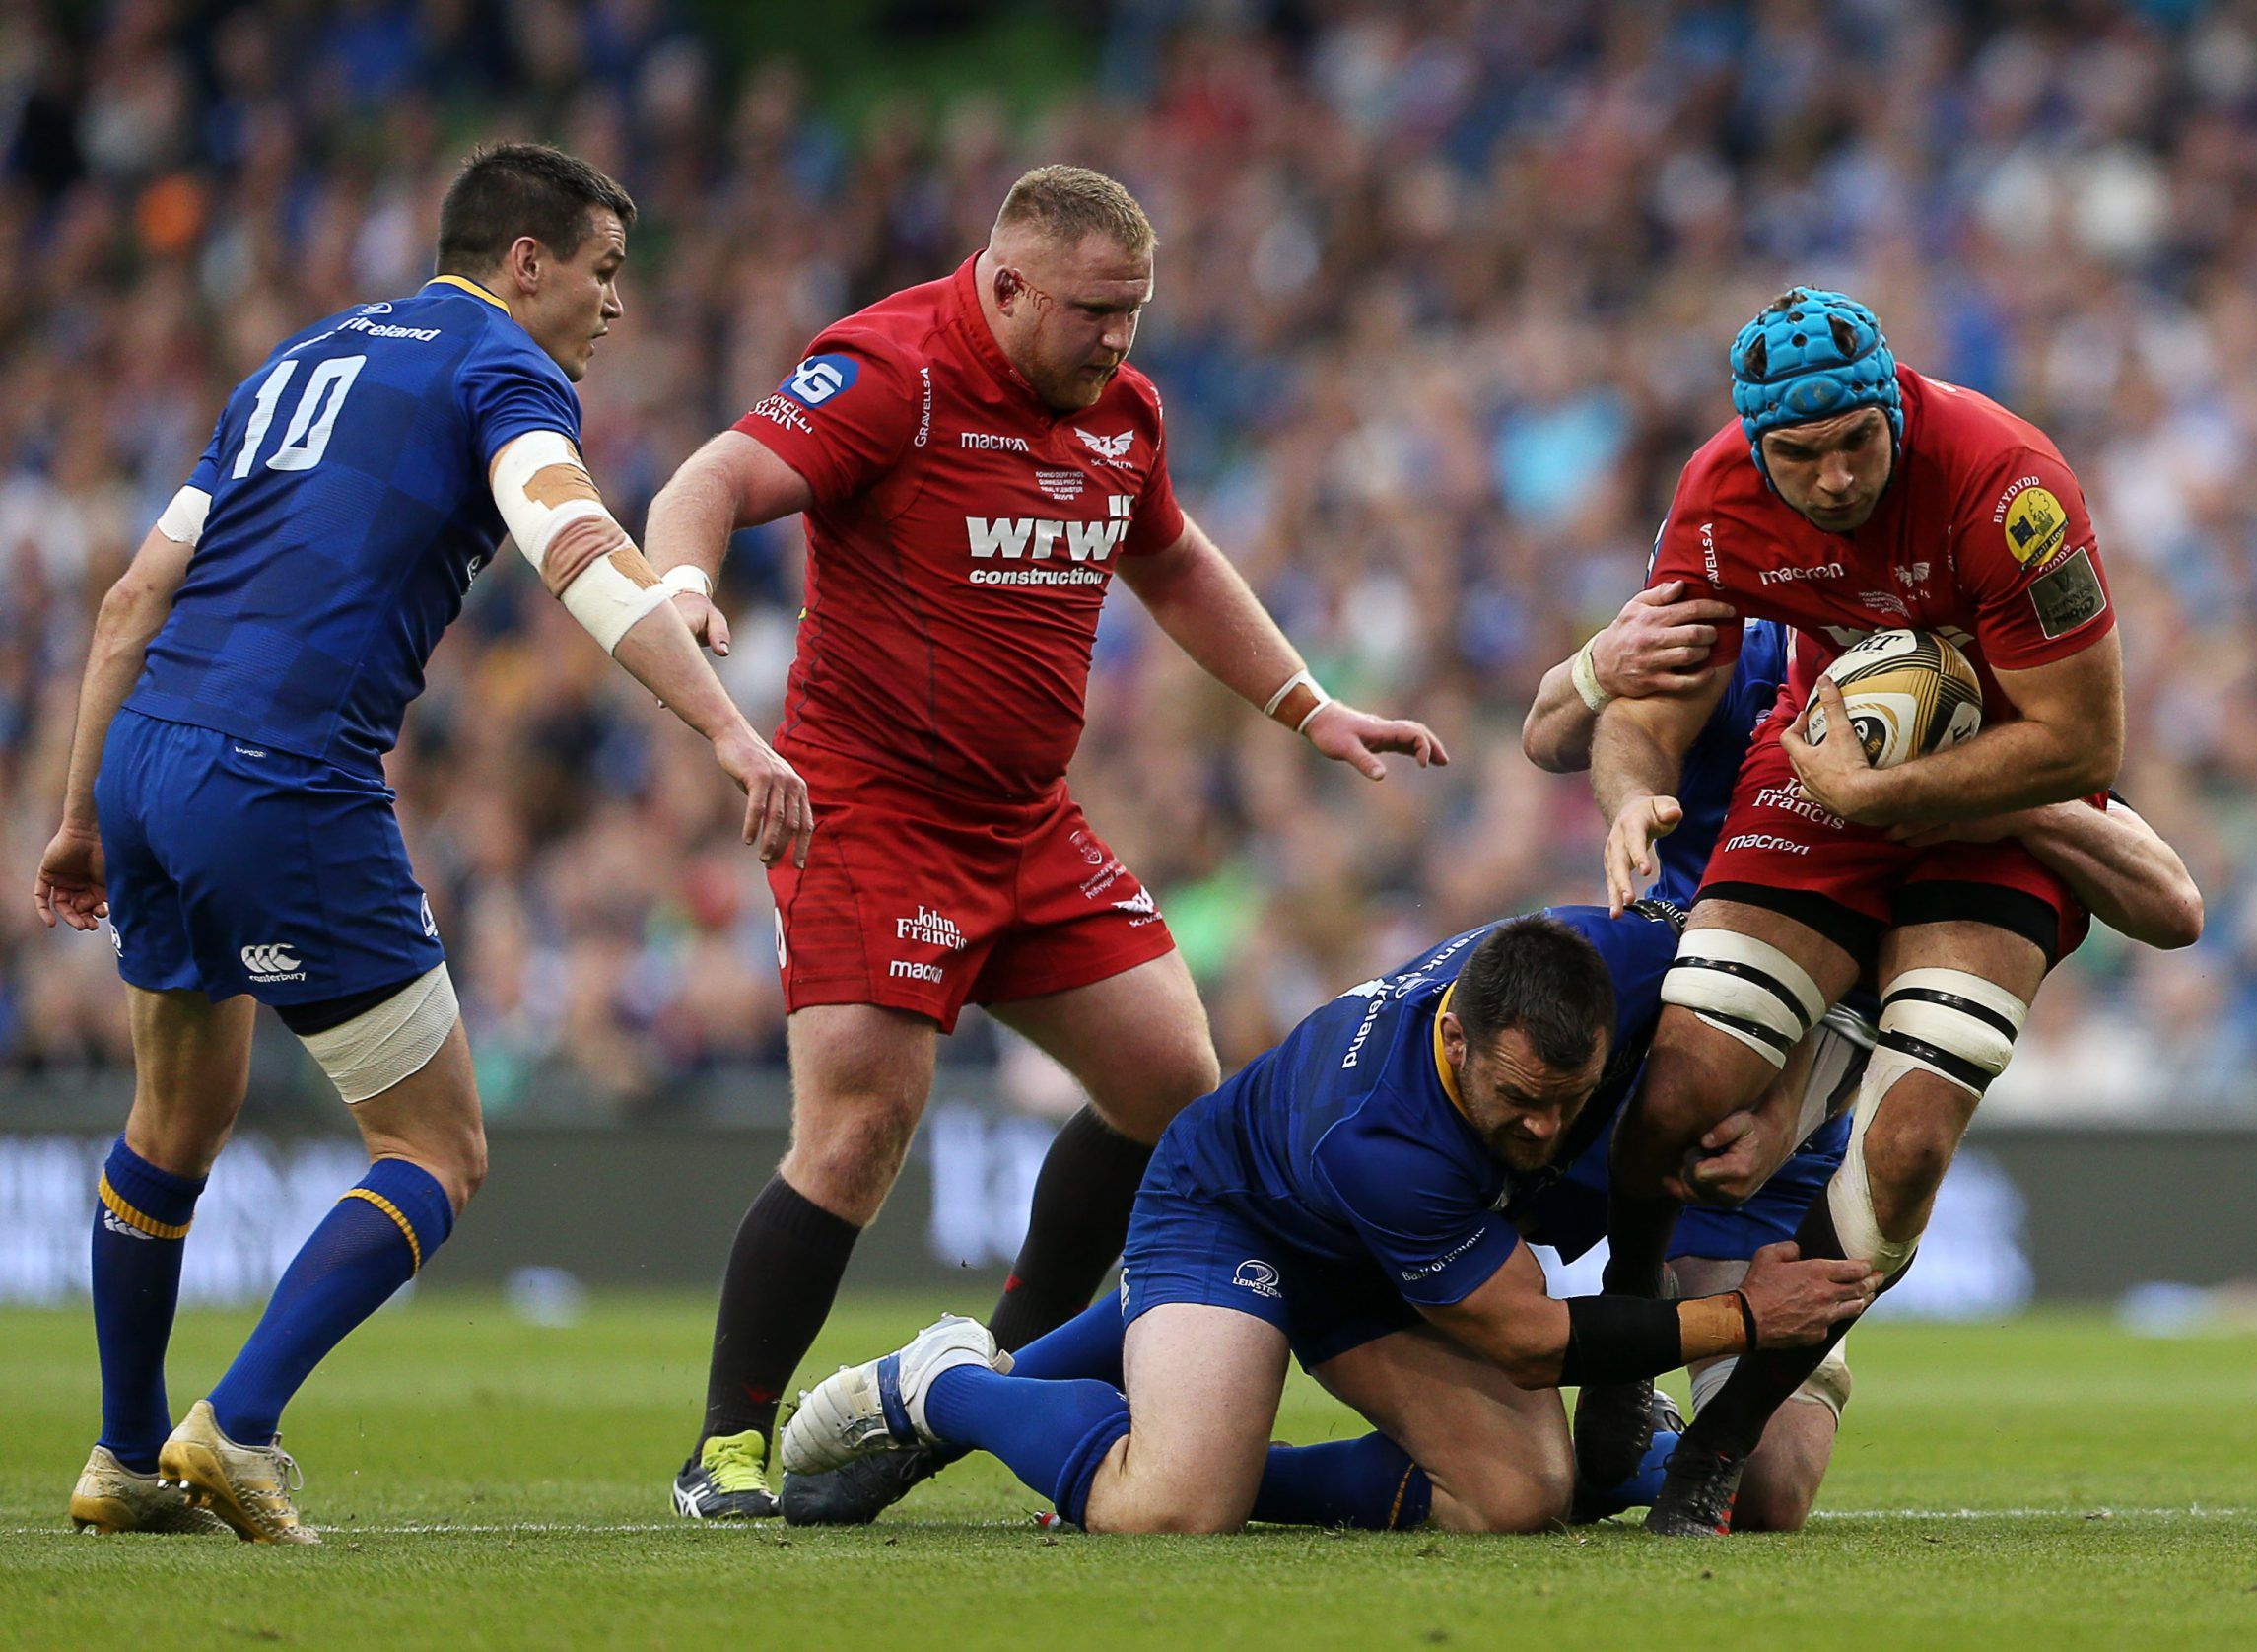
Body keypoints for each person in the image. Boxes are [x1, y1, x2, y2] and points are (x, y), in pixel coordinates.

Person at [638, 164, 1447, 1520]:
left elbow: (1174, 560)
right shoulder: (895, 371)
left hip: (1028, 819)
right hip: (874, 810)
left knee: (1178, 1098)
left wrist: (1307, 707)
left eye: (1134, 309)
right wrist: (683, 587)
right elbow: (710, 479)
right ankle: (727, 1445)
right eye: (1092, 311)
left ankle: (997, 1374)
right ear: (1007, 287)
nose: (1119, 338)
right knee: (860, 1129)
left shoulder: (1123, 408)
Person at [31, 143, 812, 1545]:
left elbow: (134, 596)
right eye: (603, 271)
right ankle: (240, 1428)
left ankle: (124, 1452)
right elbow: (571, 544)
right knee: (437, 1147)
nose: (614, 307)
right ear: (525, 263)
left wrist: (86, 811)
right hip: (283, 776)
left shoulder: (292, 364)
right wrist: (727, 733)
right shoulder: (500, 365)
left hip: (150, 756)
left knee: (173, 1124)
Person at [1583, 287, 2133, 1535]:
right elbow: (1645, 695)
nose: (1833, 477)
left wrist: (1881, 794)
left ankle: (1722, 1434)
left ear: (1894, 404)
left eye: (1856, 443)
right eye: (1801, 454)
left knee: (1907, 1151)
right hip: (1826, 762)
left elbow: (2081, 738)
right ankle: (1620, 1357)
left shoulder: (2009, 487)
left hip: (2002, 789)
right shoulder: (1717, 489)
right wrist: (1628, 795)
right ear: (1755, 443)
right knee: (1676, 1087)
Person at [780, 912, 1878, 1535]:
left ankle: (1154, 1384)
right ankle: (943, 1385)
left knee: (1519, 1495)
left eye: (1569, 1097)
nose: (1546, 1128)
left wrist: (1781, 1118)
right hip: (1237, 1207)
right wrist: (1741, 1315)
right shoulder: (1385, 1138)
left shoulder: (1633, 969)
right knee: (1172, 1507)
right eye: (1518, 1103)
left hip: (1371, 1244)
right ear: (1452, 1039)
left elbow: (1808, 991)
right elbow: (1531, 1339)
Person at [1525, 604, 2198, 1529]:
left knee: (1772, 1497)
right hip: (1648, 1028)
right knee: (1491, 1419)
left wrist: (1788, 1118)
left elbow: (2169, 903)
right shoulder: (1742, 643)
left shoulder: (1958, 704)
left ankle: (1665, 1432)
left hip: (1795, 1085)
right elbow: (1551, 730)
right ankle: (1606, 1364)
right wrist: (1597, 662)